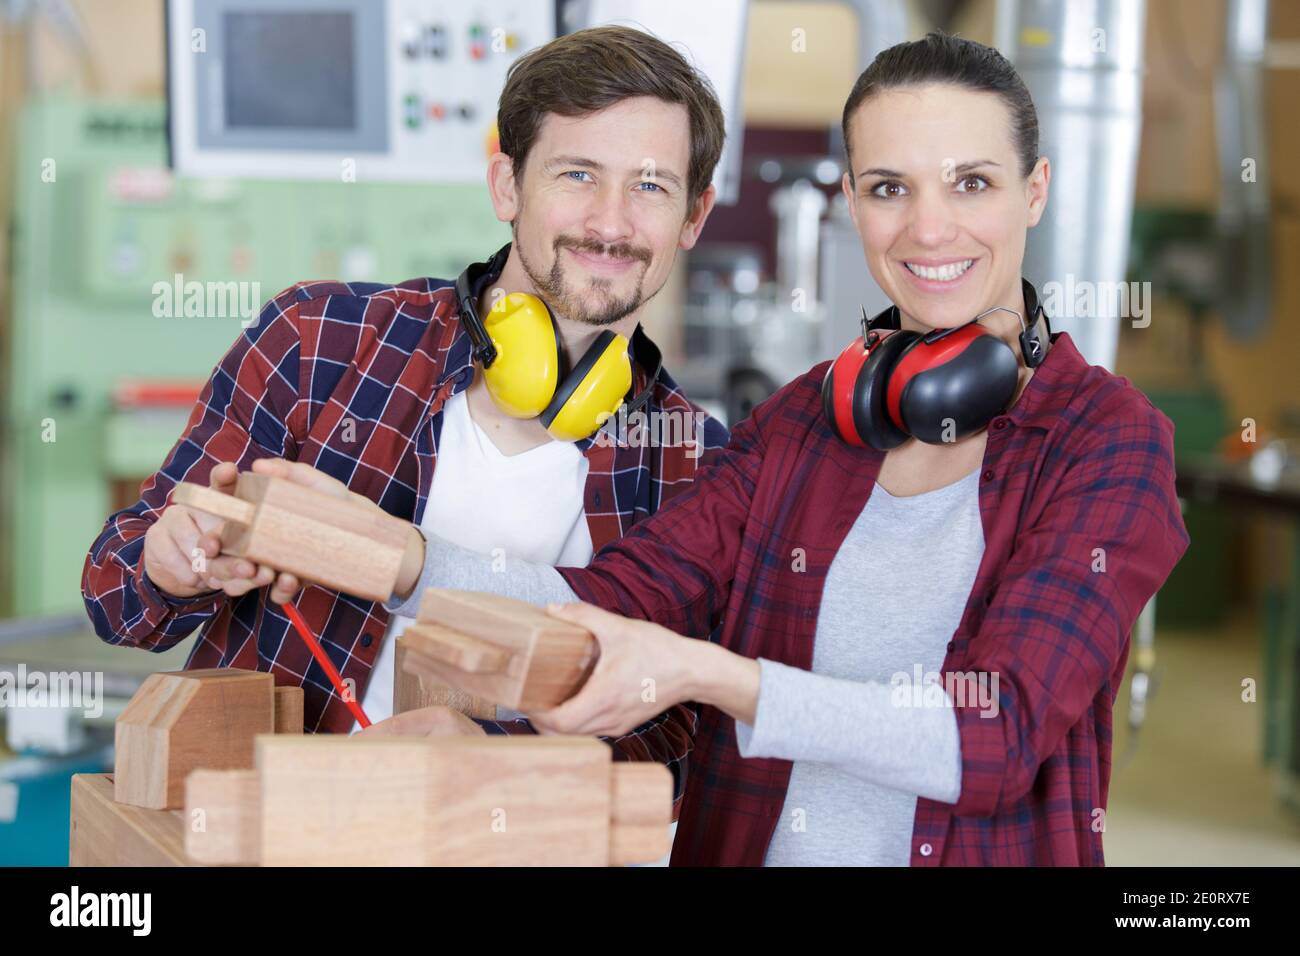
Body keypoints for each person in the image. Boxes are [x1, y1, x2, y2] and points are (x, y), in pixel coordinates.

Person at [283, 32, 1187, 866]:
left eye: (972, 183)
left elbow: (998, 734)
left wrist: (720, 677)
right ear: (853, 205)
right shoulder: (800, 424)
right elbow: (614, 600)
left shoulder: (1107, 442)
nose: (929, 229)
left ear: (1035, 189)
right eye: (889, 188)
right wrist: (395, 556)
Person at [80, 24, 729, 812]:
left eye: (651, 186)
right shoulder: (319, 340)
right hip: (275, 838)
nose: (612, 221)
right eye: (578, 174)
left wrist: (492, 756)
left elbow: (671, 733)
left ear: (694, 217)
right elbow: (114, 596)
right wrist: (168, 562)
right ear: (507, 186)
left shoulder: (696, 464)